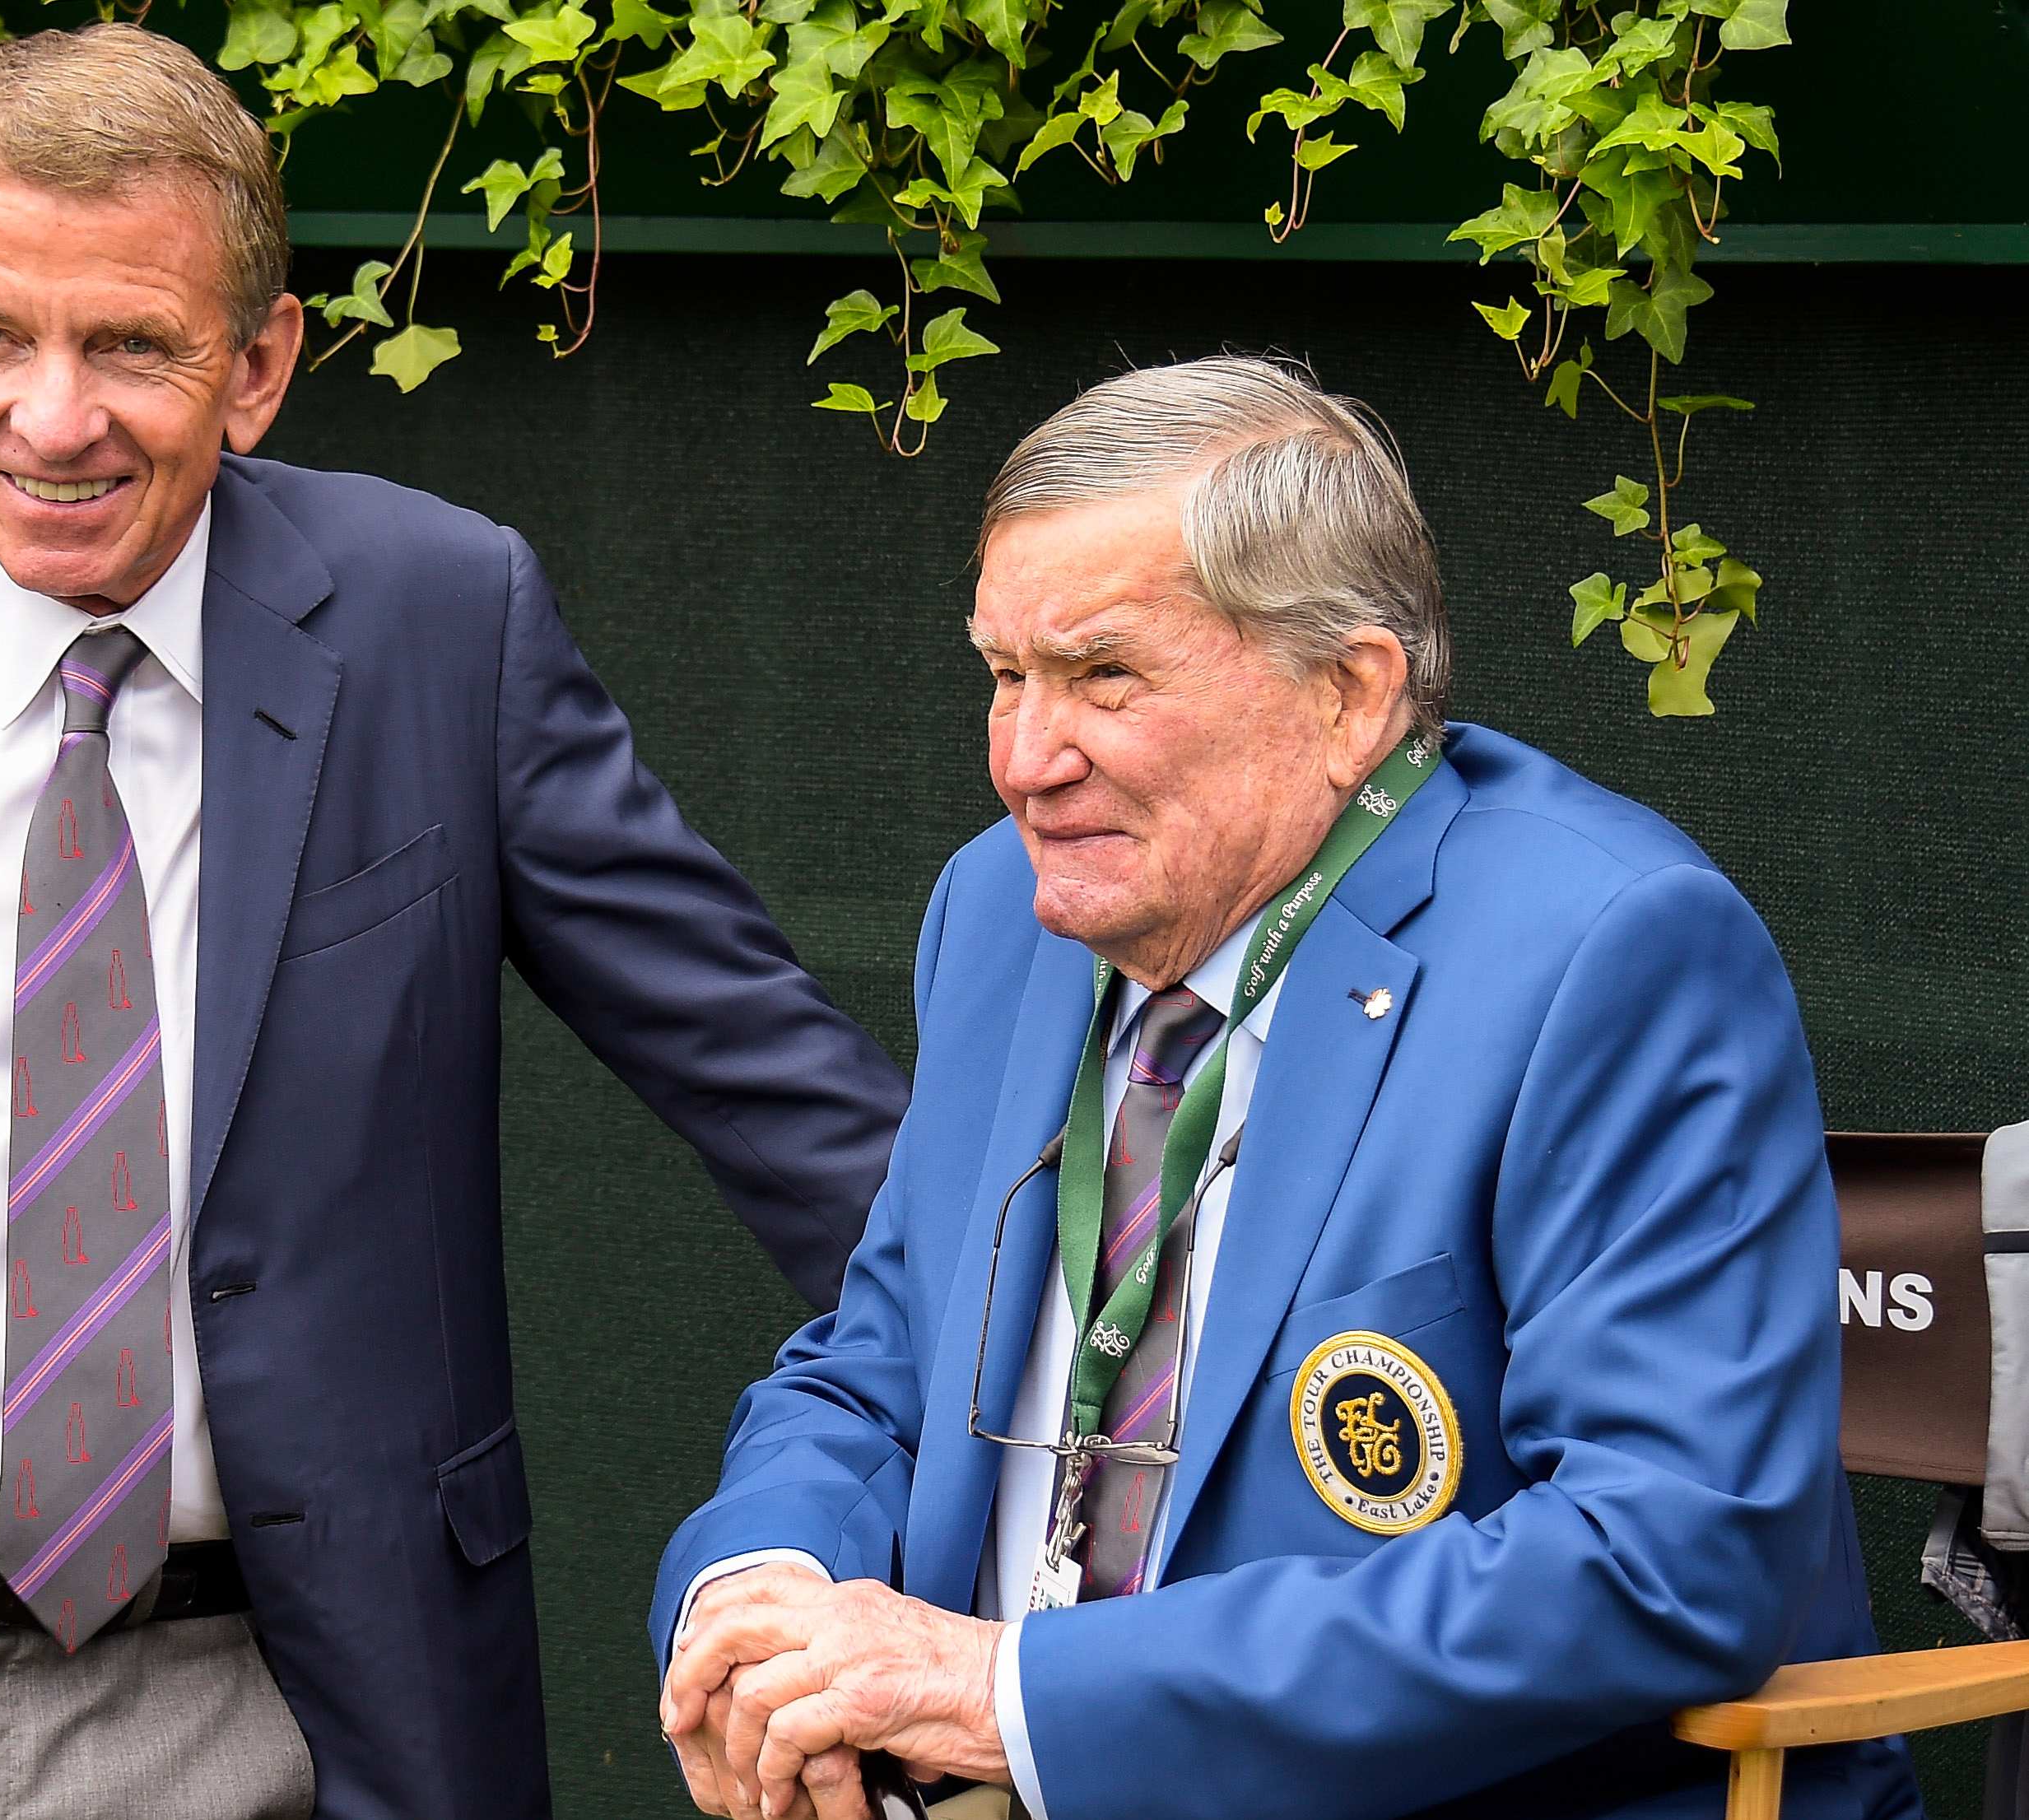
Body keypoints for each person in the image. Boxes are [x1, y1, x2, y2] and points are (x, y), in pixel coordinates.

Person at [0, 22, 907, 1820]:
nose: (55, 418)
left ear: (258, 366)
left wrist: (1074, 1417)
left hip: (239, 1694)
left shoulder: (437, 627)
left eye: (130, 343)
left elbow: (768, 1082)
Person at [650, 357, 1922, 1820]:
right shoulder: (1001, 908)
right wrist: (760, 1587)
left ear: (1346, 693)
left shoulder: (1608, 950)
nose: (1022, 763)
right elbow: (877, 1361)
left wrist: (1014, 1697)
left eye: (1103, 675)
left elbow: (1664, 1554)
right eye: (1004, 676)